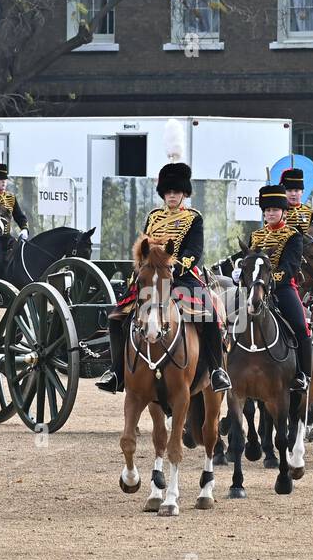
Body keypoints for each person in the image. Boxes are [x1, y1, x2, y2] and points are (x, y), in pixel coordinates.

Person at [95, 162, 231, 394]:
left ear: (184, 193)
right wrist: (139, 272)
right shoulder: (153, 216)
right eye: (168, 192)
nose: (171, 196)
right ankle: (117, 371)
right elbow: (143, 249)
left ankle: (217, 371)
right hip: (150, 278)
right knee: (116, 318)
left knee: (210, 316)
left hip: (182, 277)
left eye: (176, 192)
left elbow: (194, 252)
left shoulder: (193, 219)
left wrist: (174, 269)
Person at [247, 183, 313, 392]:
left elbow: (290, 266)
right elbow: (249, 262)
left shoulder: (293, 236)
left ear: (284, 212)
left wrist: (269, 281)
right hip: (255, 289)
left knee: (302, 328)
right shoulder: (256, 236)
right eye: (267, 210)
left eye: (275, 210)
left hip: (282, 288)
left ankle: (304, 374)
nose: (271, 213)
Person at [0, 162, 31, 273]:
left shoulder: (11, 198)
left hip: (7, 237)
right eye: (1, 179)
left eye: (5, 179)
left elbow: (20, 217)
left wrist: (24, 229)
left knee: (22, 255)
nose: (4, 181)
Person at [281, 167, 313, 233]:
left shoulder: (310, 212)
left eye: (296, 190)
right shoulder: (278, 211)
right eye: (289, 190)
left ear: (302, 192)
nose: (293, 194)